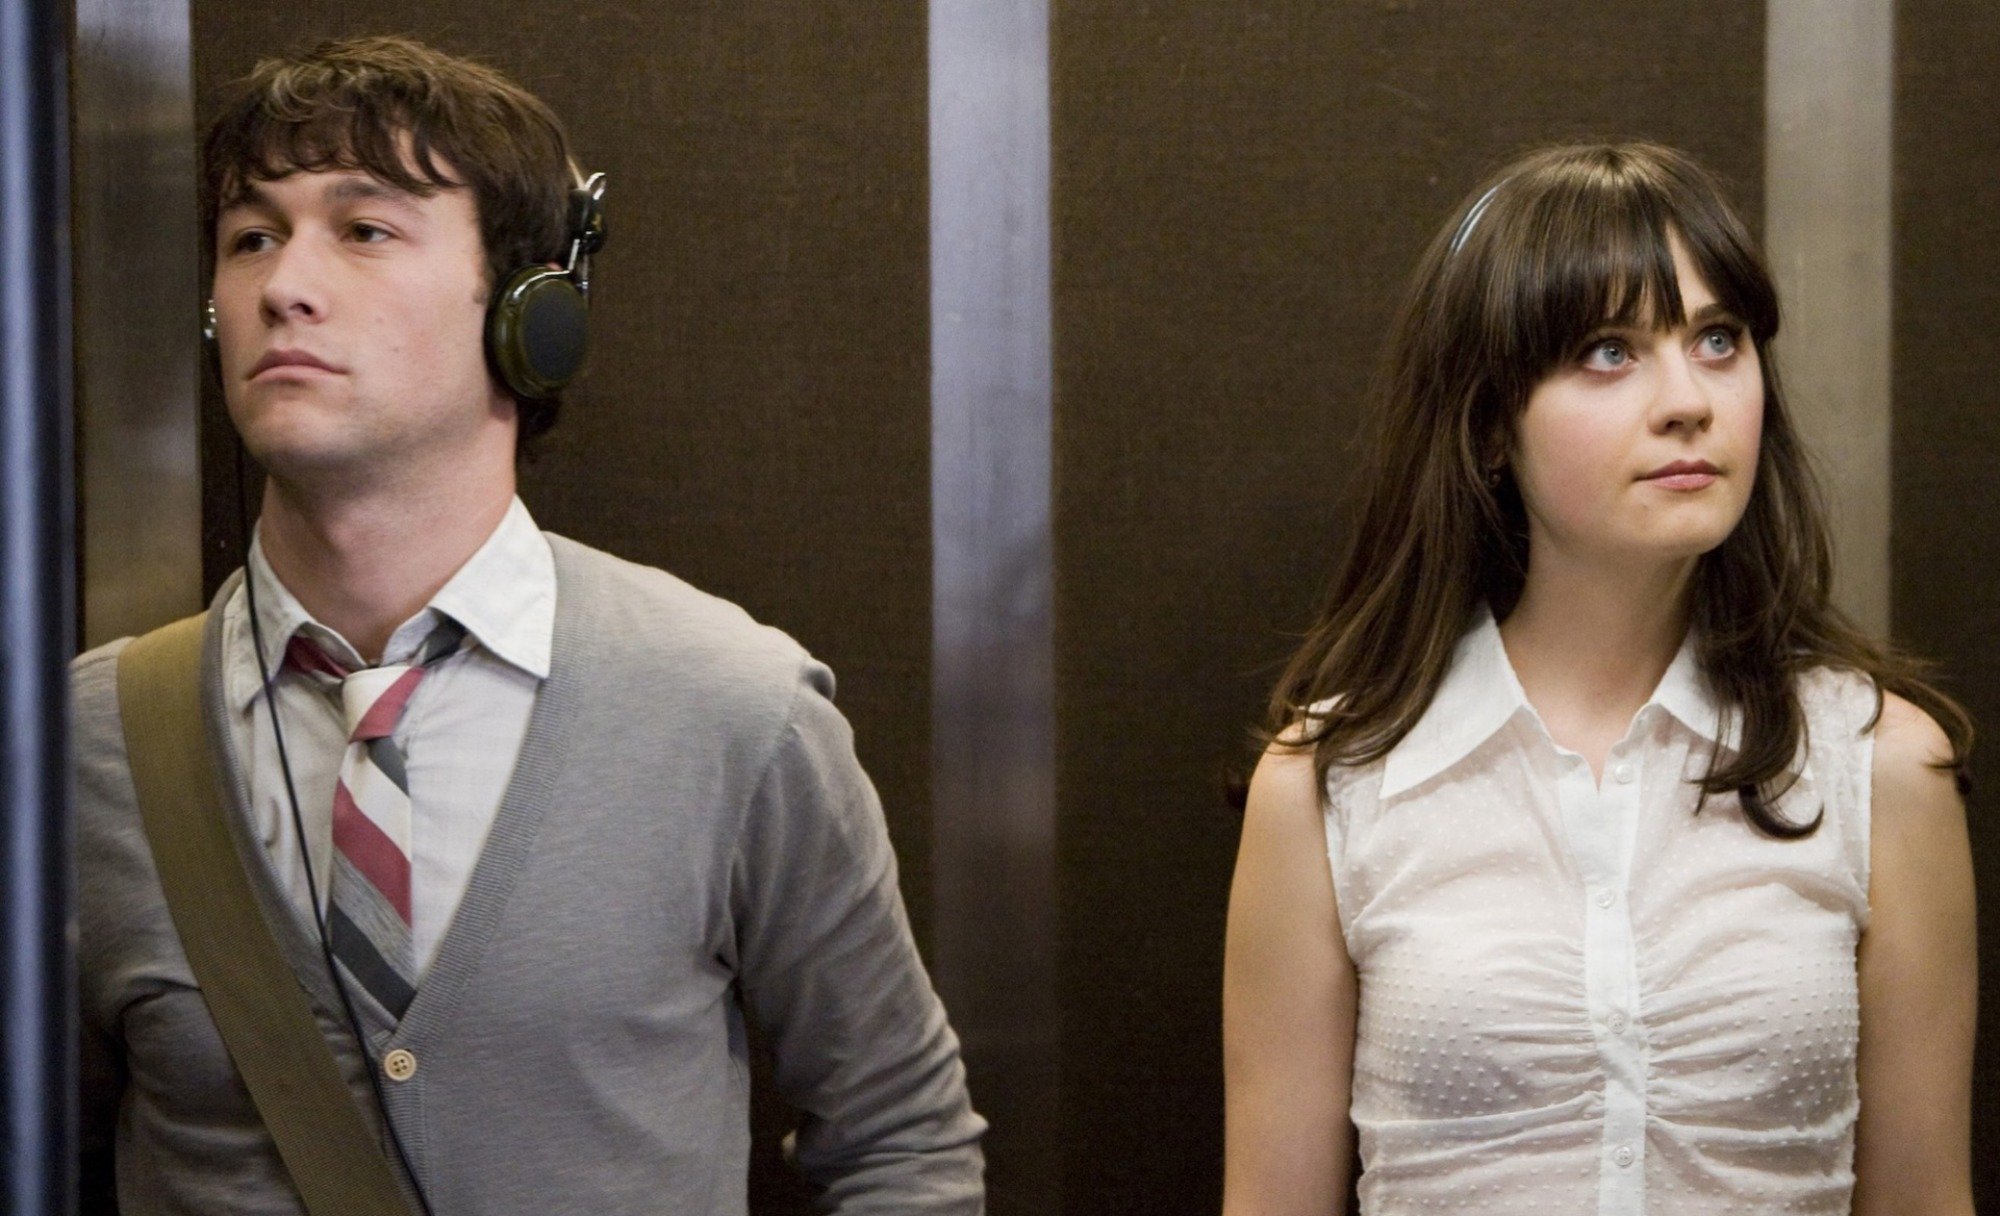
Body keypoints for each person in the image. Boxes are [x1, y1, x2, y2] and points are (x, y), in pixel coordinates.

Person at [73, 35, 984, 1215]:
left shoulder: (729, 707)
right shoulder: (87, 743)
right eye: (253, 235)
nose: (283, 284)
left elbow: (902, 1141)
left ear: (528, 305)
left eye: (364, 229)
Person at [1221, 143, 1977, 1215]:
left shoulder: (1882, 764)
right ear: (1488, 425)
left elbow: (1921, 1194)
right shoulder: (1326, 783)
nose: (1686, 401)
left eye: (1717, 340)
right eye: (1607, 353)